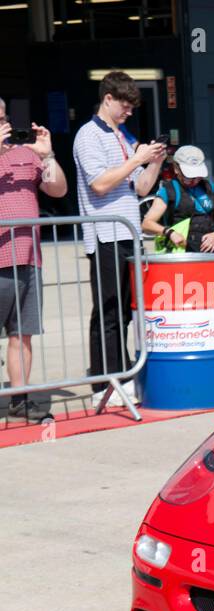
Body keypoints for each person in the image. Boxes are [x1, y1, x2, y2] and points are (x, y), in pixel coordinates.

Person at [72, 71, 167, 407]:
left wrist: (154, 163)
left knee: (126, 311)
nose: (129, 111)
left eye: (132, 107)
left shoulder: (123, 134)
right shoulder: (88, 135)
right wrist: (136, 160)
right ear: (107, 99)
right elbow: (99, 183)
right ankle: (105, 382)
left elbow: (140, 187)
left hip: (129, 232)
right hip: (105, 234)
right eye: (124, 105)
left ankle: (123, 373)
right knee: (108, 311)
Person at [1, 103, 67, 421]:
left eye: (2, 118)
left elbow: (57, 188)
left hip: (27, 257)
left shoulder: (26, 154)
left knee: (21, 333)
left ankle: (19, 398)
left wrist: (47, 154)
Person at [141, 146, 214, 253]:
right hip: (182, 253)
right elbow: (147, 224)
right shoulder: (168, 190)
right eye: (189, 176)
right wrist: (170, 233)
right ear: (176, 169)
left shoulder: (209, 188)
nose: (194, 181)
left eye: (198, 176)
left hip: (213, 250)